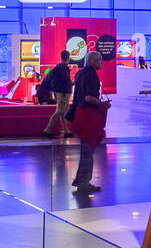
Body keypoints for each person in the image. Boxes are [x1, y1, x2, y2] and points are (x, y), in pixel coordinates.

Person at [67, 51, 111, 193]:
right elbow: (89, 98)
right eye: (100, 60)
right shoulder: (92, 75)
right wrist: (102, 104)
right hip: (88, 116)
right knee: (88, 150)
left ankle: (81, 180)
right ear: (94, 62)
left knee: (85, 149)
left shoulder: (80, 73)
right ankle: (84, 182)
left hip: (79, 114)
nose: (102, 62)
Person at [42, 52, 74, 137]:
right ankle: (47, 129)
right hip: (64, 92)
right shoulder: (64, 68)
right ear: (68, 58)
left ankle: (66, 131)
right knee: (60, 111)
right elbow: (67, 80)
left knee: (62, 112)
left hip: (57, 91)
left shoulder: (57, 67)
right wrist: (74, 83)